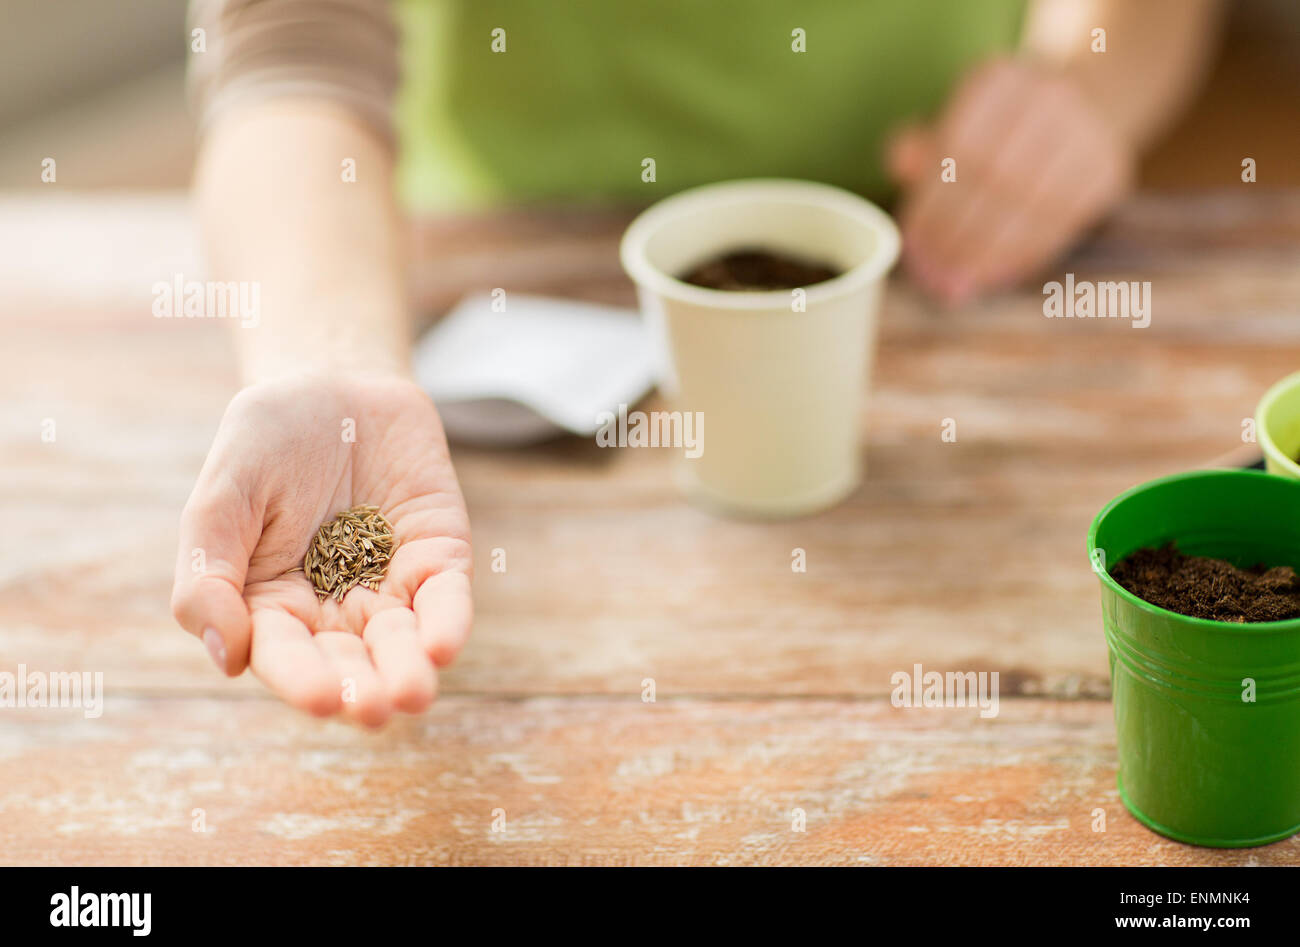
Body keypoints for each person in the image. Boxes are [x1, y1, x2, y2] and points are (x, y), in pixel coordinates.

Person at [172, 0, 1221, 726]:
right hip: (493, 244)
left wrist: (1079, 81)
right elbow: (290, 40)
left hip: (949, 231)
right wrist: (331, 363)